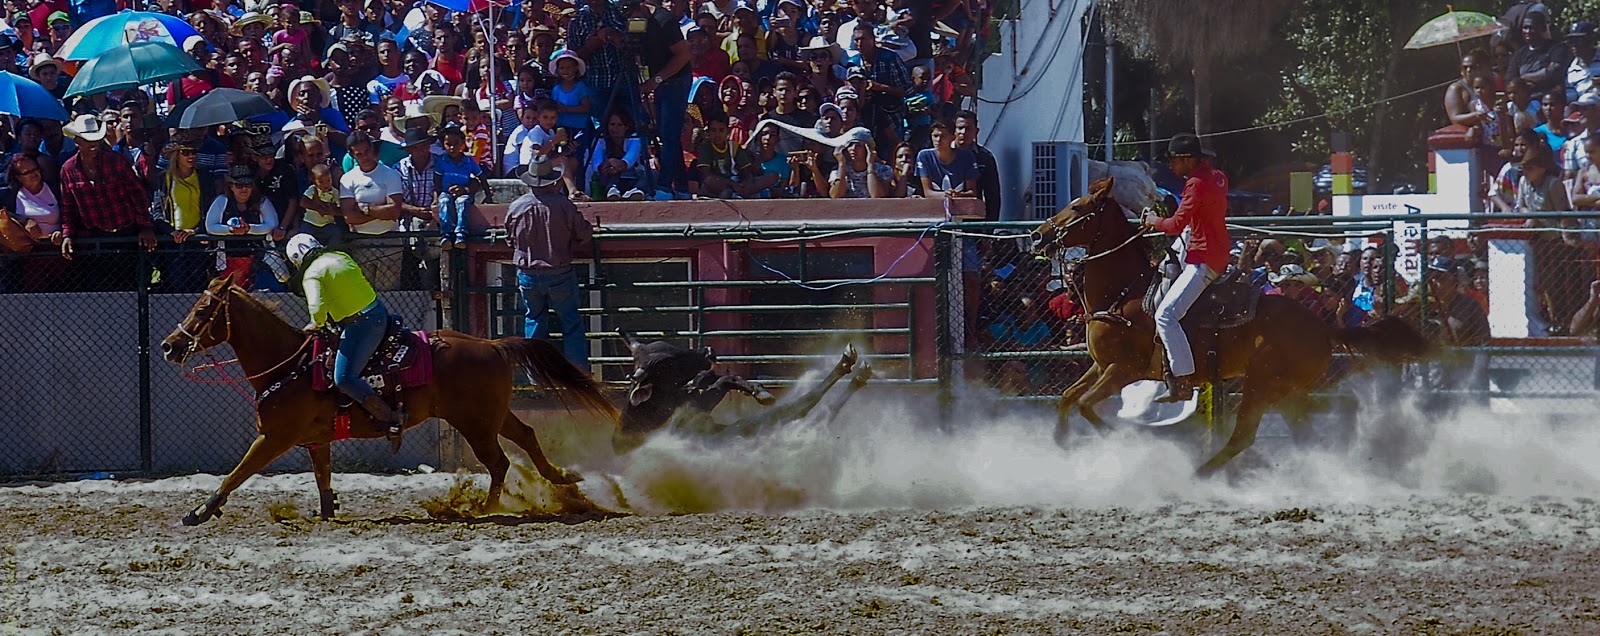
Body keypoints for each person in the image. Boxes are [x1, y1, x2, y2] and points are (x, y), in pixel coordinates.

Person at [283, 233, 403, 450]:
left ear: (296, 260)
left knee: (343, 377)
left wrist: (314, 324)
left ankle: (390, 418)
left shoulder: (311, 274)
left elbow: (318, 310)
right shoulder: (340, 256)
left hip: (361, 325)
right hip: (377, 312)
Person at [1141, 132, 1230, 403]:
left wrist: (1154, 220)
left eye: (1174, 161)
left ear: (1188, 160)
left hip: (1203, 259)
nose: (1171, 166)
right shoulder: (1217, 177)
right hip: (1215, 252)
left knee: (1165, 315)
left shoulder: (1195, 184)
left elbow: (1176, 225)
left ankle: (1182, 379)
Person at [505, 155, 593, 371]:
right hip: (559, 271)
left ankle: (535, 375)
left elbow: (509, 239)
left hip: (527, 272)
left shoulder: (516, 207)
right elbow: (584, 233)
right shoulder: (564, 205)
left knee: (534, 320)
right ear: (553, 181)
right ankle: (578, 371)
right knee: (571, 323)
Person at [57, 114, 156, 292]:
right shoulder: (68, 169)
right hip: (96, 238)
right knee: (100, 290)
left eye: (95, 138)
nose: (93, 143)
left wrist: (145, 226)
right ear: (77, 141)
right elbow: (68, 206)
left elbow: (138, 195)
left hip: (128, 234)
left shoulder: (116, 161)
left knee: (132, 287)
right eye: (88, 139)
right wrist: (68, 234)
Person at [339, 132, 408, 290]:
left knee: (389, 292)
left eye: (367, 151)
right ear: (352, 155)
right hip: (361, 242)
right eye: (359, 154)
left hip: (390, 240)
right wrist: (380, 212)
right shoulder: (348, 179)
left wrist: (364, 208)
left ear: (373, 149)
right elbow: (349, 216)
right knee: (364, 292)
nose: (365, 157)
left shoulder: (390, 174)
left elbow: (394, 212)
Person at [205, 165, 280, 289]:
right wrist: (231, 230)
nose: (244, 189)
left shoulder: (261, 201)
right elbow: (210, 226)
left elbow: (272, 224)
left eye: (248, 185)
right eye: (239, 185)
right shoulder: (221, 201)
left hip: (258, 259)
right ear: (231, 186)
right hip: (228, 259)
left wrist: (249, 228)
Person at [433, 126, 486, 250]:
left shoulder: (469, 160)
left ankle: (461, 234)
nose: (452, 148)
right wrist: (436, 197)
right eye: (448, 144)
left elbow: (481, 178)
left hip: (464, 192)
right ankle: (445, 234)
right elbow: (437, 181)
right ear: (443, 145)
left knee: (462, 202)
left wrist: (488, 196)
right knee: (444, 201)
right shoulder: (441, 161)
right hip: (446, 192)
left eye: (456, 143)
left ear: (463, 143)